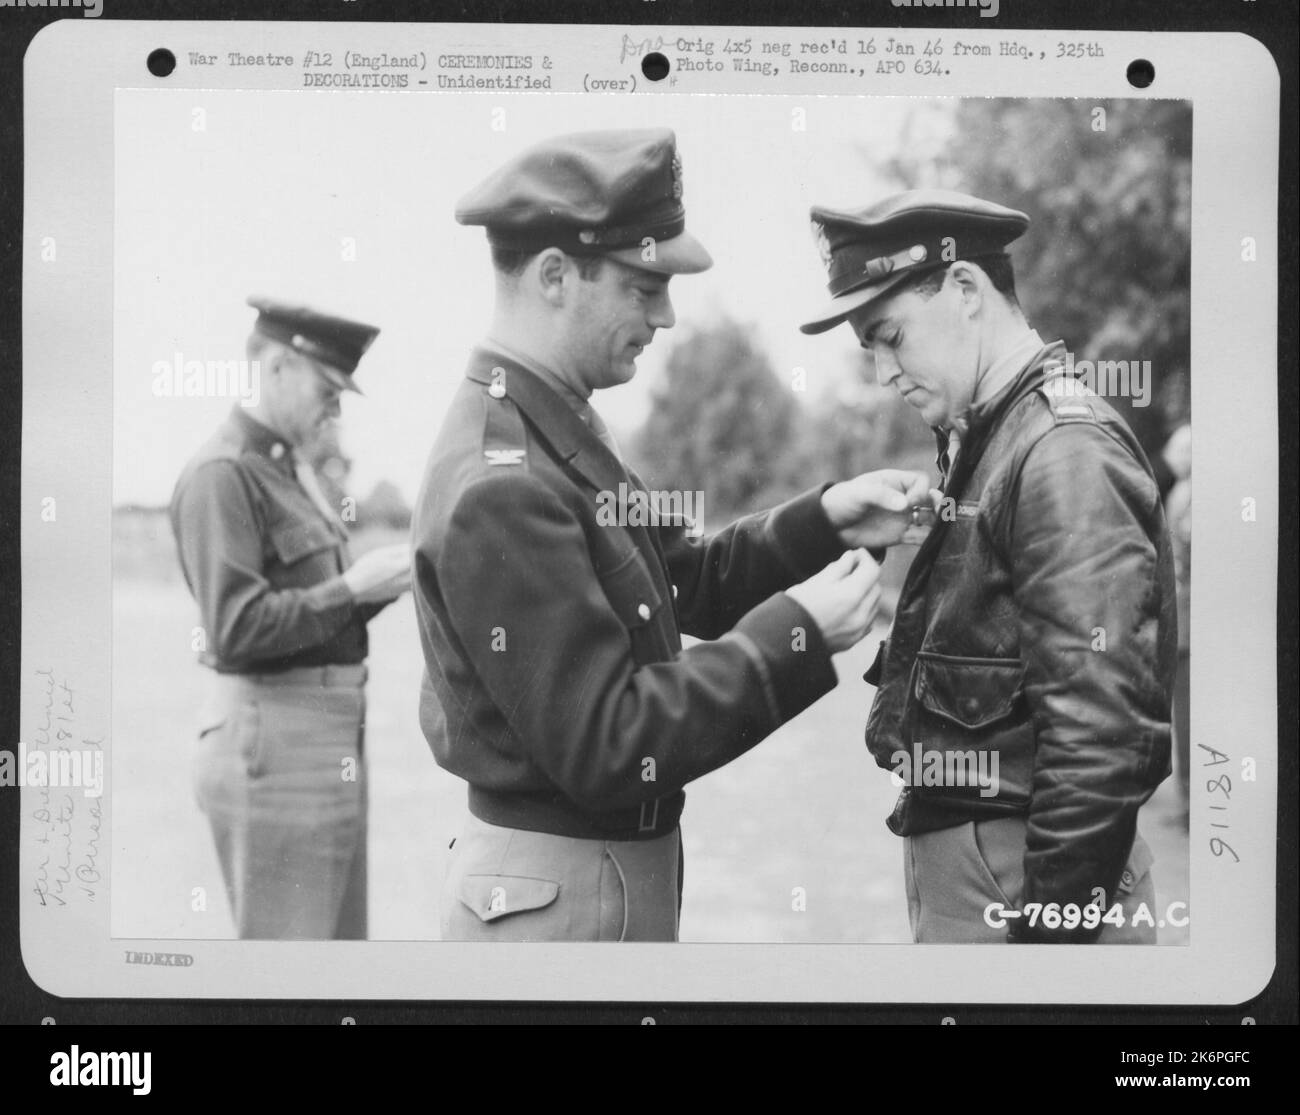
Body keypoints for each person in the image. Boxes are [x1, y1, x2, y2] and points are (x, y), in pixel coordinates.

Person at [412, 129, 930, 942]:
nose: (666, 314)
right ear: (555, 276)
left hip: (586, 877)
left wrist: (825, 518)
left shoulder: (559, 426)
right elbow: (607, 741)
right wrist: (799, 632)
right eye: (643, 285)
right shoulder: (503, 481)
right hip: (556, 894)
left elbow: (686, 579)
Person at [800, 188, 1177, 943]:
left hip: (1022, 881)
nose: (883, 372)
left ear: (967, 290)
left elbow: (1101, 739)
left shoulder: (1061, 447)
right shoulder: (994, 431)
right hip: (988, 868)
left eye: (892, 336)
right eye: (868, 348)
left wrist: (1041, 963)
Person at [170, 297, 411, 939]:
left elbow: (313, 612)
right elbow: (236, 629)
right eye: (327, 390)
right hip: (276, 748)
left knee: (332, 969)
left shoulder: (288, 470)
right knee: (289, 978)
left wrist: (380, 584)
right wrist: (351, 588)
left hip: (320, 740)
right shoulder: (223, 474)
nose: (334, 410)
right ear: (277, 368)